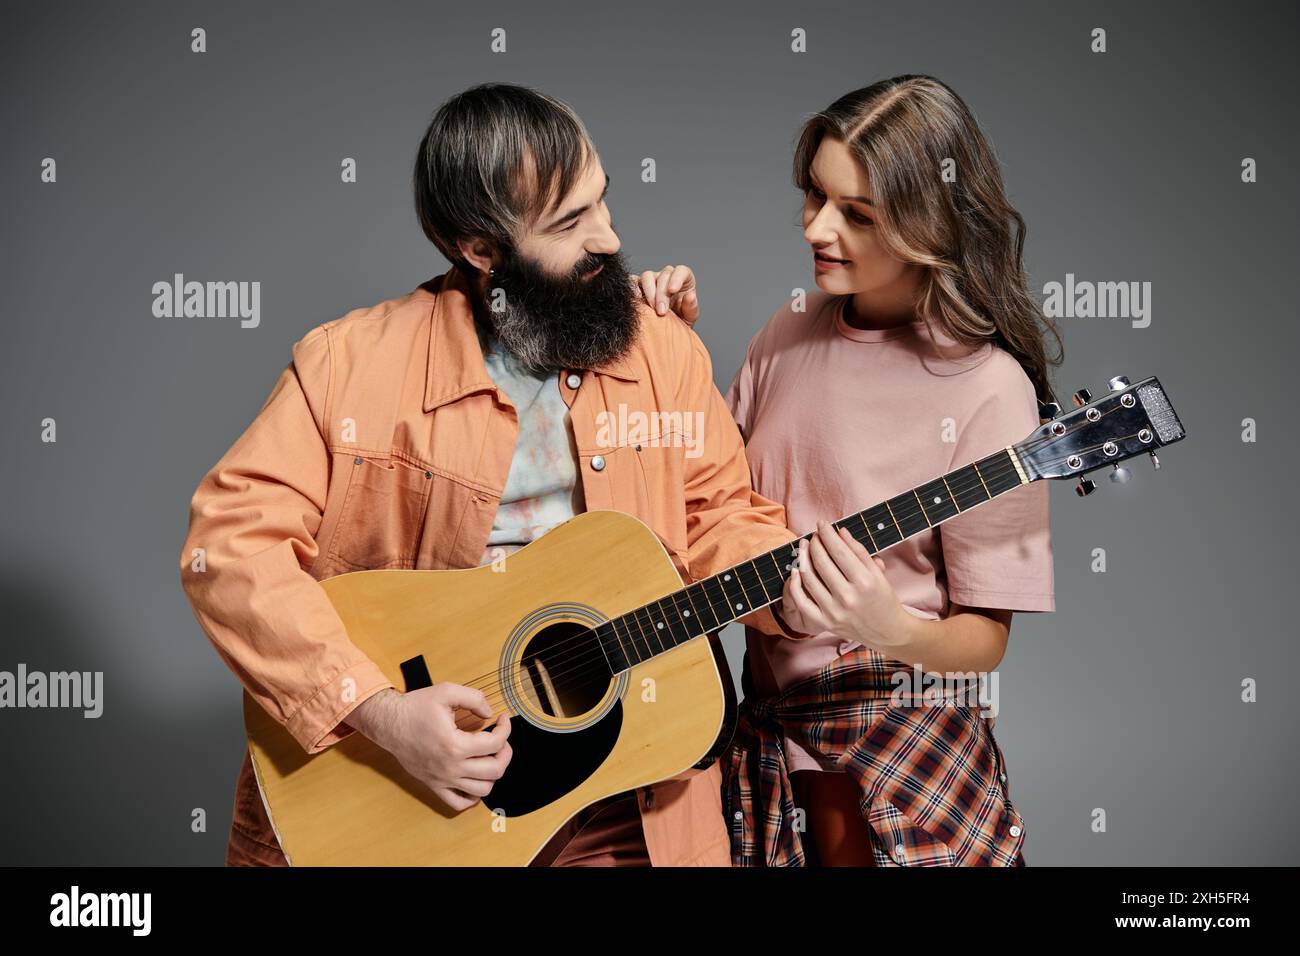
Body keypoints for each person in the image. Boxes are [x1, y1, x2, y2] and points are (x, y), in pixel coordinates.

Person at [178, 82, 813, 868]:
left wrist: (793, 590)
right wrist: (380, 713)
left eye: (602, 202)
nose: (611, 240)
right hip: (414, 799)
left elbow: (717, 515)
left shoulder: (664, 352)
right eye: (571, 223)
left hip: (633, 795)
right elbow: (232, 549)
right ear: (480, 250)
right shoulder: (346, 365)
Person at [634, 74, 1063, 866]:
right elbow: (698, 500)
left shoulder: (990, 387)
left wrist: (891, 629)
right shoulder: (790, 327)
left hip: (897, 742)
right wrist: (660, 344)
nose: (817, 228)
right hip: (761, 737)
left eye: (857, 215)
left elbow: (985, 640)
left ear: (927, 222)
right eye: (814, 196)